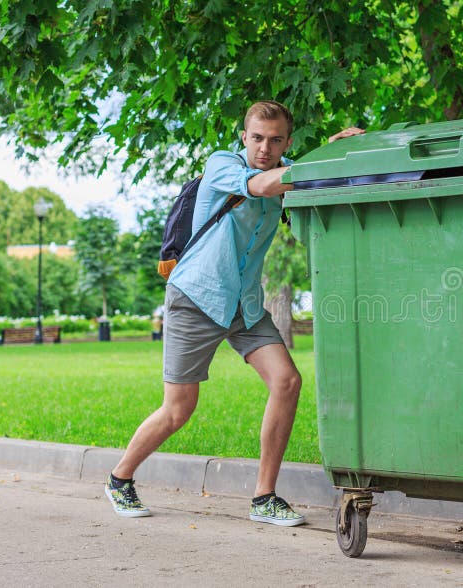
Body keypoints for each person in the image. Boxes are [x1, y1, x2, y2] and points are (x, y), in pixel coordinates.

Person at [104, 100, 363, 525]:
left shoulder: (290, 168)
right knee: (179, 408)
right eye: (257, 138)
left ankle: (264, 497)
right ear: (245, 136)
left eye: (275, 140)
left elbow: (300, 177)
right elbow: (261, 186)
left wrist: (333, 154)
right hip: (196, 298)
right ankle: (119, 478)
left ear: (287, 141)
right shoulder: (222, 164)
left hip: (243, 303)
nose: (265, 147)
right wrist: (319, 163)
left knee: (287, 381)